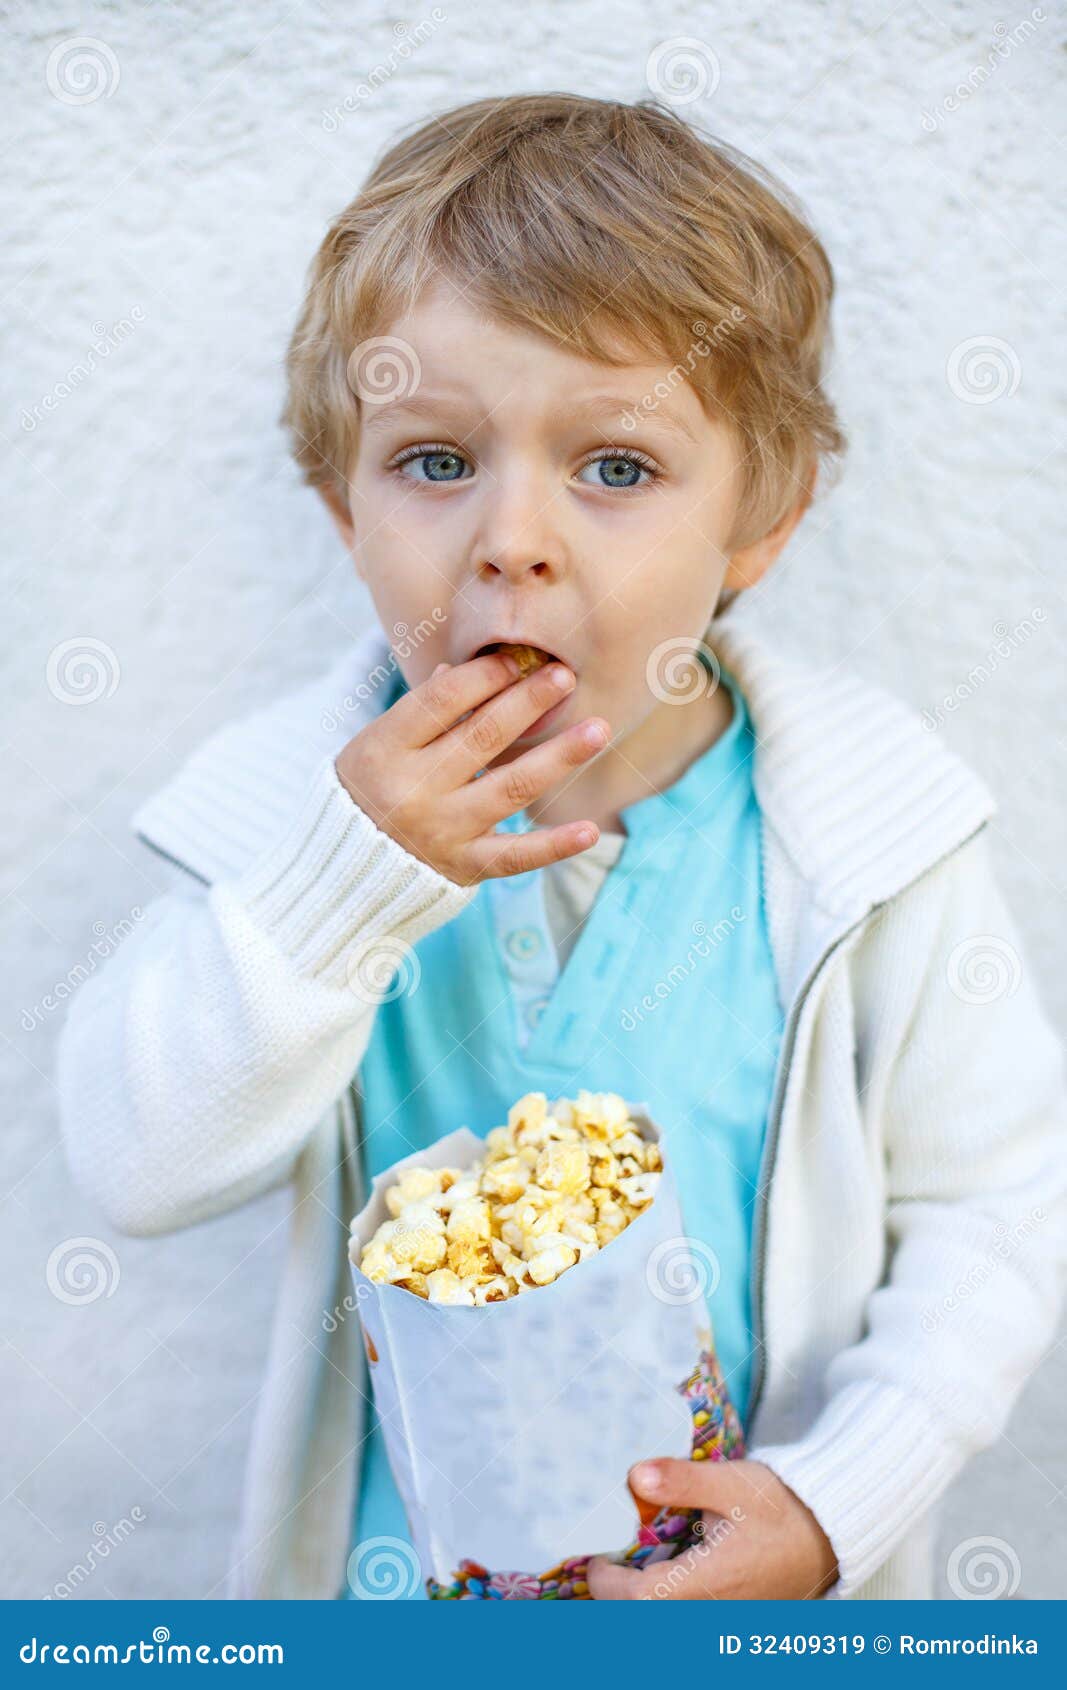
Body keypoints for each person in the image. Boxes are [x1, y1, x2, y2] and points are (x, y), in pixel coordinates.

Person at [57, 93, 1067, 1602]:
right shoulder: (284, 810)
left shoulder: (873, 829)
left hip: (747, 1604)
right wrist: (346, 878)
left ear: (762, 521)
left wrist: (837, 1500)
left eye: (616, 469)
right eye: (434, 461)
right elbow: (139, 1161)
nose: (512, 539)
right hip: (394, 1604)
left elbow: (1003, 1207)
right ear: (345, 508)